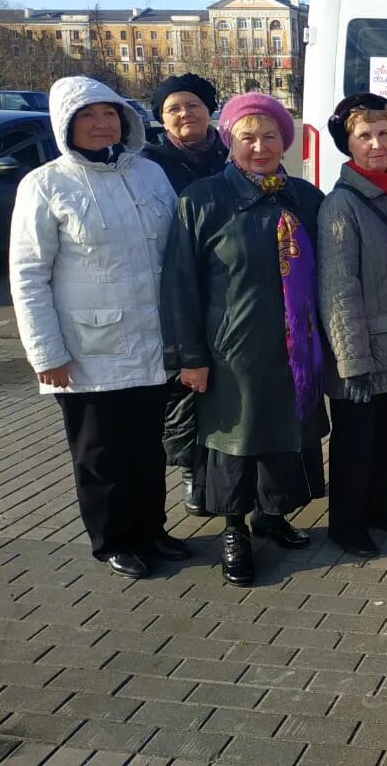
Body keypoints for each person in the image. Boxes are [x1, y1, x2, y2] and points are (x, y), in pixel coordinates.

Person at [10, 76, 191, 578]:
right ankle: (114, 539)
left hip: (152, 339)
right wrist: (45, 353)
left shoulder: (151, 174)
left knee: (148, 447)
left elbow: (175, 253)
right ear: (66, 124)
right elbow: (27, 275)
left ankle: (153, 529)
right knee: (100, 453)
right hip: (88, 347)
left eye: (109, 114)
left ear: (125, 121)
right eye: (87, 115)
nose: (100, 124)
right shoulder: (46, 184)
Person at [162, 93, 327, 587]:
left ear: (285, 141)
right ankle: (235, 529)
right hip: (232, 350)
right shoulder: (204, 200)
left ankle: (271, 517)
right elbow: (181, 284)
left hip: (295, 348)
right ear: (229, 140)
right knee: (235, 441)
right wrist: (189, 356)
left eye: (270, 136)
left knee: (285, 434)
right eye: (247, 137)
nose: (260, 146)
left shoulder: (304, 197)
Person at [317, 95, 387, 557]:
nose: (379, 143)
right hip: (363, 350)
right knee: (354, 446)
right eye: (366, 136)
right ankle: (347, 525)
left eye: (385, 133)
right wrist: (351, 364)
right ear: (349, 144)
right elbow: (338, 291)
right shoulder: (341, 206)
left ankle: (381, 508)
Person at [141, 73, 227, 517]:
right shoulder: (149, 165)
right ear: (161, 118)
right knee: (185, 387)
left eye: (193, 105)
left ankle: (223, 471)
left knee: (223, 388)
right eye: (173, 108)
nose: (184, 114)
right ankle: (192, 471)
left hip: (229, 291)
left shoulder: (233, 157)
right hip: (176, 287)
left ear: (209, 109)